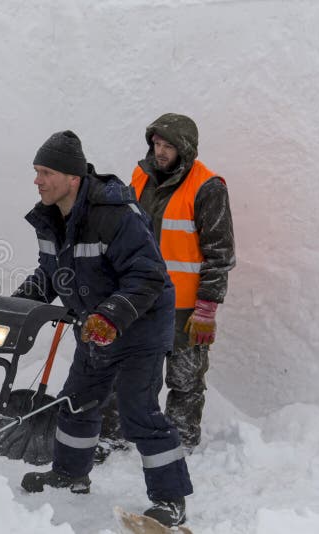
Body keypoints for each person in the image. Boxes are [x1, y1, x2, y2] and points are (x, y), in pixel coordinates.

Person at [14, 130, 192, 527]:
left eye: (45, 172)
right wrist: (17, 303)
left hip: (140, 325)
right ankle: (70, 473)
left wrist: (110, 315)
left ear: (73, 178)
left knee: (138, 409)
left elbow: (148, 276)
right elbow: (51, 274)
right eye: (36, 171)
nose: (37, 180)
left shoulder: (115, 214)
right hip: (96, 325)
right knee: (77, 400)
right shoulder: (50, 218)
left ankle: (171, 500)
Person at [130, 113, 236, 450]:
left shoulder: (208, 188)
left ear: (186, 149)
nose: (159, 152)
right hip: (140, 299)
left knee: (185, 380)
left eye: (168, 146)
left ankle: (181, 444)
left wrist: (206, 309)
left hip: (185, 307)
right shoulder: (140, 176)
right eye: (156, 144)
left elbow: (220, 253)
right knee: (132, 374)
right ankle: (122, 437)